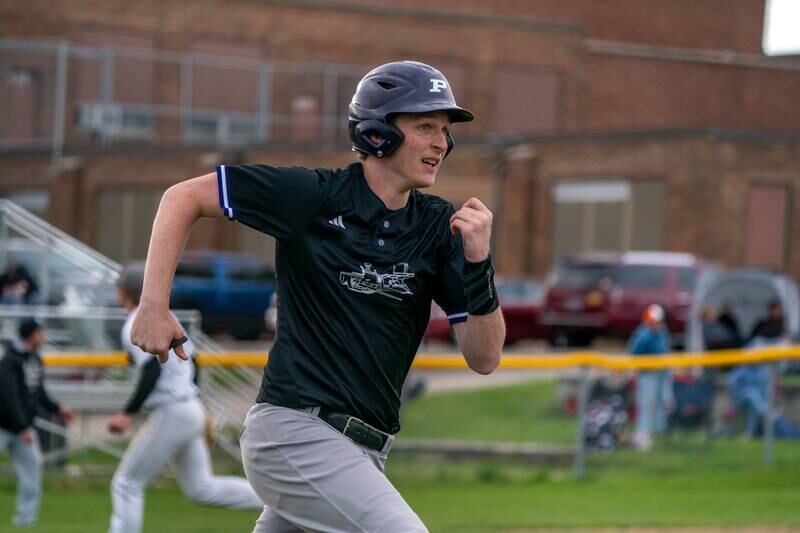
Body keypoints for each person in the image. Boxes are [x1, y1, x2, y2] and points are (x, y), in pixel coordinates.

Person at [130, 60, 505, 532]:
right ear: (376, 133)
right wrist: (153, 305)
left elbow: (485, 357)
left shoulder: (437, 227)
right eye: (425, 126)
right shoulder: (314, 195)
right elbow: (181, 198)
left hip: (365, 452)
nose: (441, 143)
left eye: (445, 130)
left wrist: (478, 263)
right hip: (294, 431)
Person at [108, 263, 262, 533]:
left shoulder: (136, 320)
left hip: (172, 410)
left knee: (126, 483)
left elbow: (151, 369)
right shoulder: (168, 317)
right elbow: (195, 360)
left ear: (123, 292)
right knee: (202, 489)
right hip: (189, 406)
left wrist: (127, 413)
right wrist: (198, 403)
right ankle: (278, 502)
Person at [0, 318, 75, 528]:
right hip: (6, 426)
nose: (44, 337)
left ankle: (25, 520)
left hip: (23, 428)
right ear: (32, 335)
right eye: (41, 332)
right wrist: (22, 426)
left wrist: (58, 408)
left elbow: (38, 394)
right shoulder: (10, 360)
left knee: (32, 471)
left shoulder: (36, 359)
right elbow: (9, 396)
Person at [628, 304, 672, 451]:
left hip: (662, 373)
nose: (657, 324)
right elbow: (634, 353)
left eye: (658, 321)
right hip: (647, 374)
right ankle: (643, 435)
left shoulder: (662, 332)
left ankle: (660, 433)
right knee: (647, 404)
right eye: (654, 321)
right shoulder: (643, 334)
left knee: (663, 403)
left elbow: (665, 350)